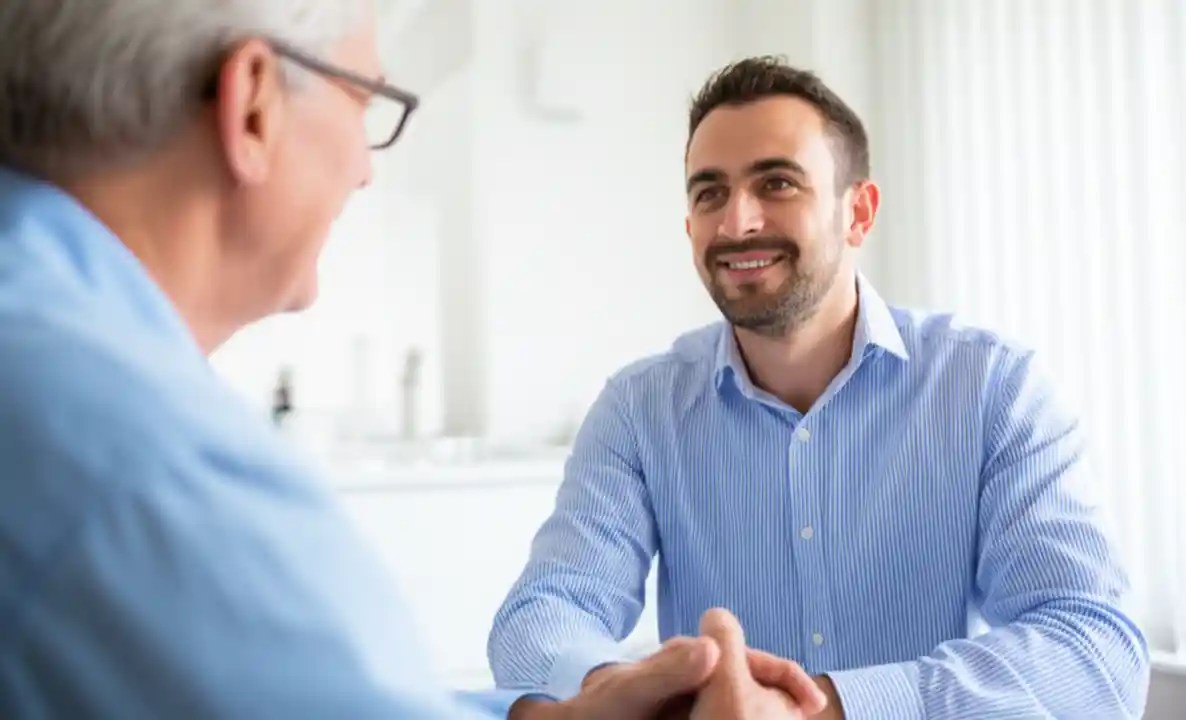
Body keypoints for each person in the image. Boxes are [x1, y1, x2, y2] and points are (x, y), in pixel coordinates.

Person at [0, 3, 825, 718]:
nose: (365, 167)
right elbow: (542, 616)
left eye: (777, 185)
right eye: (367, 102)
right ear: (252, 105)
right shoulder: (144, 466)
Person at [489, 56, 1151, 718]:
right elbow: (541, 618)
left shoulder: (993, 388)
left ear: (857, 213)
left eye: (776, 183)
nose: (737, 222)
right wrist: (632, 689)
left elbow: (1094, 651)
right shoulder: (639, 411)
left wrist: (820, 708)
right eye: (709, 192)